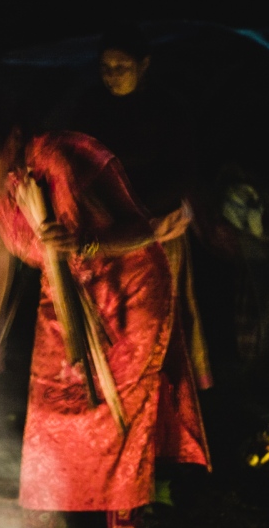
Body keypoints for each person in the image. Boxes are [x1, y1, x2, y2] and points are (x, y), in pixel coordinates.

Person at [0, 91, 211, 528]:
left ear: (12, 139)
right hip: (65, 300)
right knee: (51, 412)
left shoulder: (64, 157)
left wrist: (83, 243)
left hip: (128, 290)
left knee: (117, 415)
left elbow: (139, 226)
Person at [70, 22, 214, 403]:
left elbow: (184, 172)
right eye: (106, 68)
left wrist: (146, 218)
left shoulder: (168, 109)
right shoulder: (90, 107)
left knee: (166, 311)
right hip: (111, 232)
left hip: (159, 228)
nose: (113, 76)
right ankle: (123, 389)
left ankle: (174, 393)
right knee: (117, 315)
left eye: (122, 67)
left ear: (144, 64)